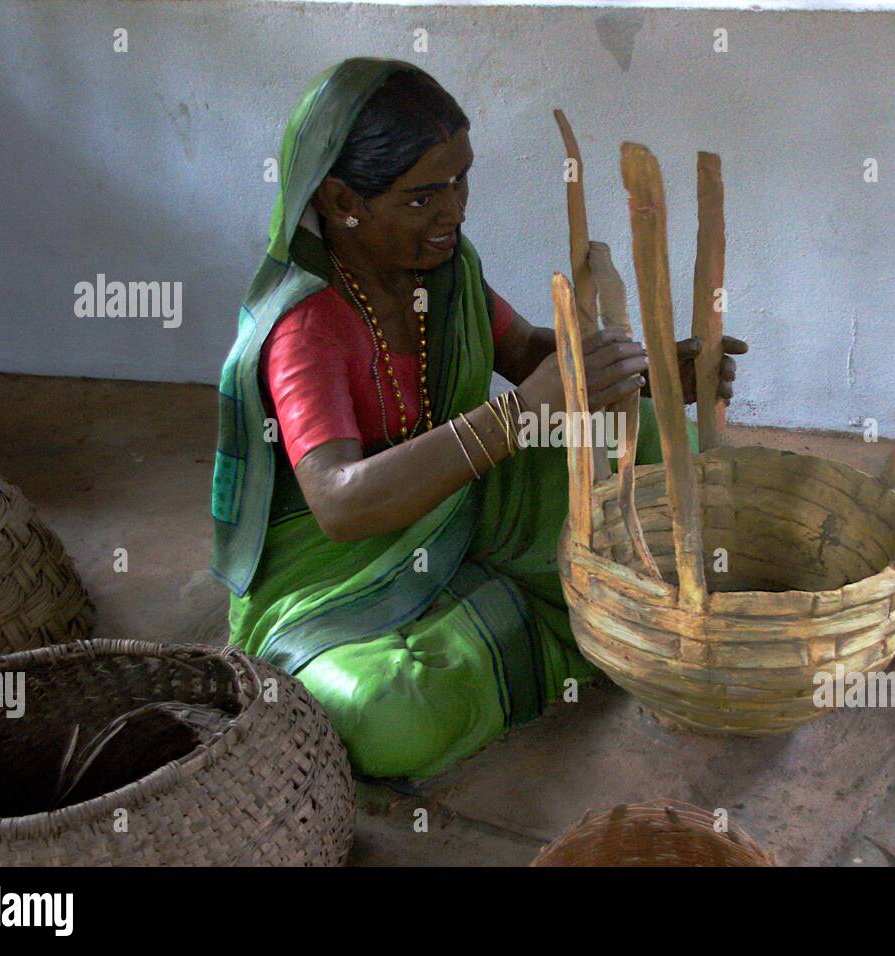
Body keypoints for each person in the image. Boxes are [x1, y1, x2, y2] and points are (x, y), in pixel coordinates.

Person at [210, 57, 744, 779]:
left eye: (461, 180)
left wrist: (646, 370)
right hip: (339, 575)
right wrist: (520, 415)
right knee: (388, 715)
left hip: (459, 498)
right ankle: (557, 622)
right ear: (341, 200)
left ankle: (539, 608)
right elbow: (339, 503)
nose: (454, 210)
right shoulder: (307, 326)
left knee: (642, 431)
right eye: (423, 197)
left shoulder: (447, 266)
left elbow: (522, 348)